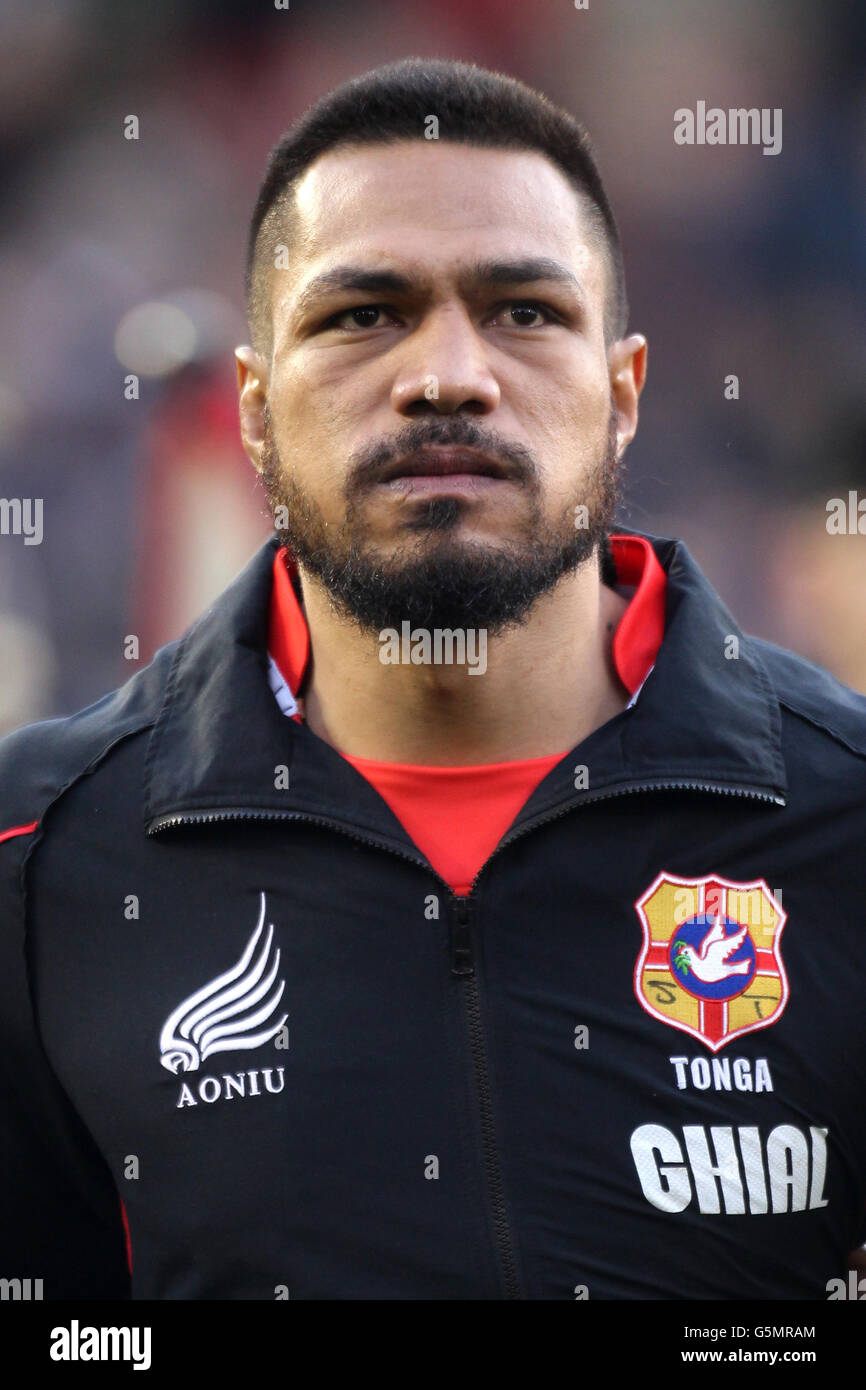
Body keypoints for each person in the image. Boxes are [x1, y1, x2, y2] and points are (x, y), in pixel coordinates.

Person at [2, 57, 865, 1302]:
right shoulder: (37, 857)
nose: (447, 375)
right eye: (363, 313)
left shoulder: (842, 818)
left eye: (522, 310)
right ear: (250, 410)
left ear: (623, 395)